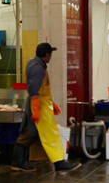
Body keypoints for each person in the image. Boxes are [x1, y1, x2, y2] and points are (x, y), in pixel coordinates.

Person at [11, 42, 82, 174]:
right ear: (46, 55)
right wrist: (36, 108)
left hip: (41, 104)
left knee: (30, 133)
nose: (51, 56)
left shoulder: (36, 64)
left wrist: (50, 102)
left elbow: (41, 90)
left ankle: (19, 162)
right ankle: (59, 163)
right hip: (38, 105)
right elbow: (34, 90)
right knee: (50, 134)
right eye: (50, 54)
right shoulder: (38, 68)